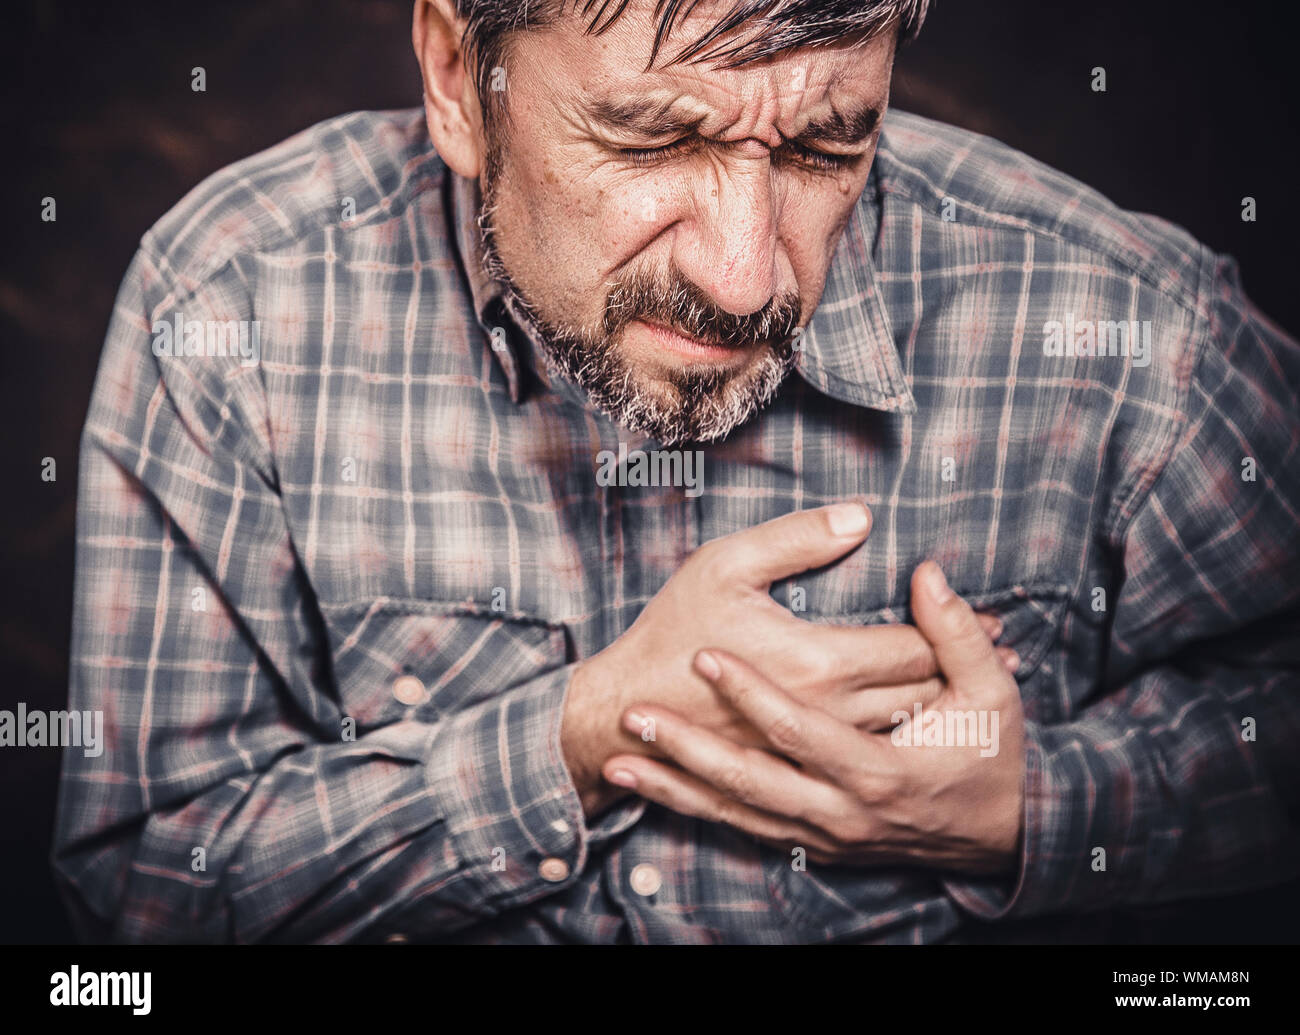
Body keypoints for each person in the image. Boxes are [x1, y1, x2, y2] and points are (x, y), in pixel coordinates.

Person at [53, 0, 1300, 943]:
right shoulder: (234, 307)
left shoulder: (1124, 325)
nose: (749, 277)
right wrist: (580, 735)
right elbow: (147, 882)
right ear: (454, 76)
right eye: (651, 139)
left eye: (825, 148)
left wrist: (1047, 808)